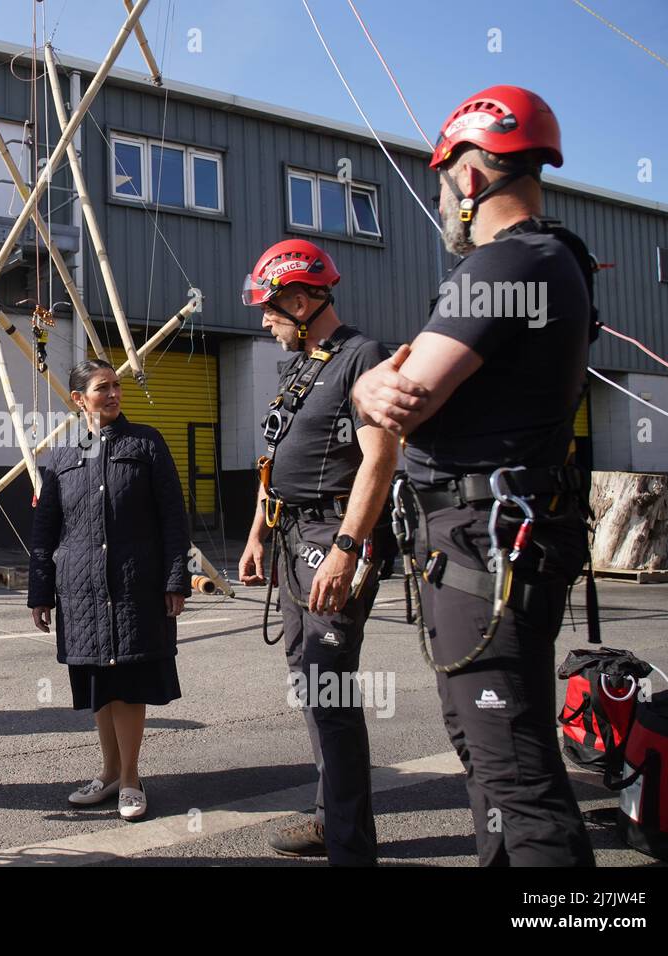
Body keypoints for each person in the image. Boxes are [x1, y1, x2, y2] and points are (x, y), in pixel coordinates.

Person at [352, 85, 596, 866]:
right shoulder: (555, 259)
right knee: (489, 755)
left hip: (480, 543)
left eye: (445, 180)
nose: (444, 200)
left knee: (514, 771)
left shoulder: (506, 263)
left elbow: (403, 403)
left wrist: (365, 388)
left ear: (472, 172)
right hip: (496, 537)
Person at [237, 240, 396, 866]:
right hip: (287, 534)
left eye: (272, 309)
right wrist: (256, 531)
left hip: (330, 536)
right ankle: (335, 817)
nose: (266, 320)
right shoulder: (305, 364)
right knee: (310, 683)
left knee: (328, 686)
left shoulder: (363, 358)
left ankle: (350, 848)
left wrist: (346, 549)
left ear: (302, 300)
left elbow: (380, 457)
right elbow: (272, 457)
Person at [28, 358, 191, 821]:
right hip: (80, 590)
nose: (114, 394)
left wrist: (176, 578)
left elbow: (173, 518)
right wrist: (40, 592)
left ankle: (133, 778)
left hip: (135, 585)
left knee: (129, 683)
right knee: (99, 684)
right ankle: (110, 772)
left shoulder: (146, 444)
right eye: (103, 388)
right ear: (79, 399)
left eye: (117, 386)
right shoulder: (60, 458)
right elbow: (45, 531)